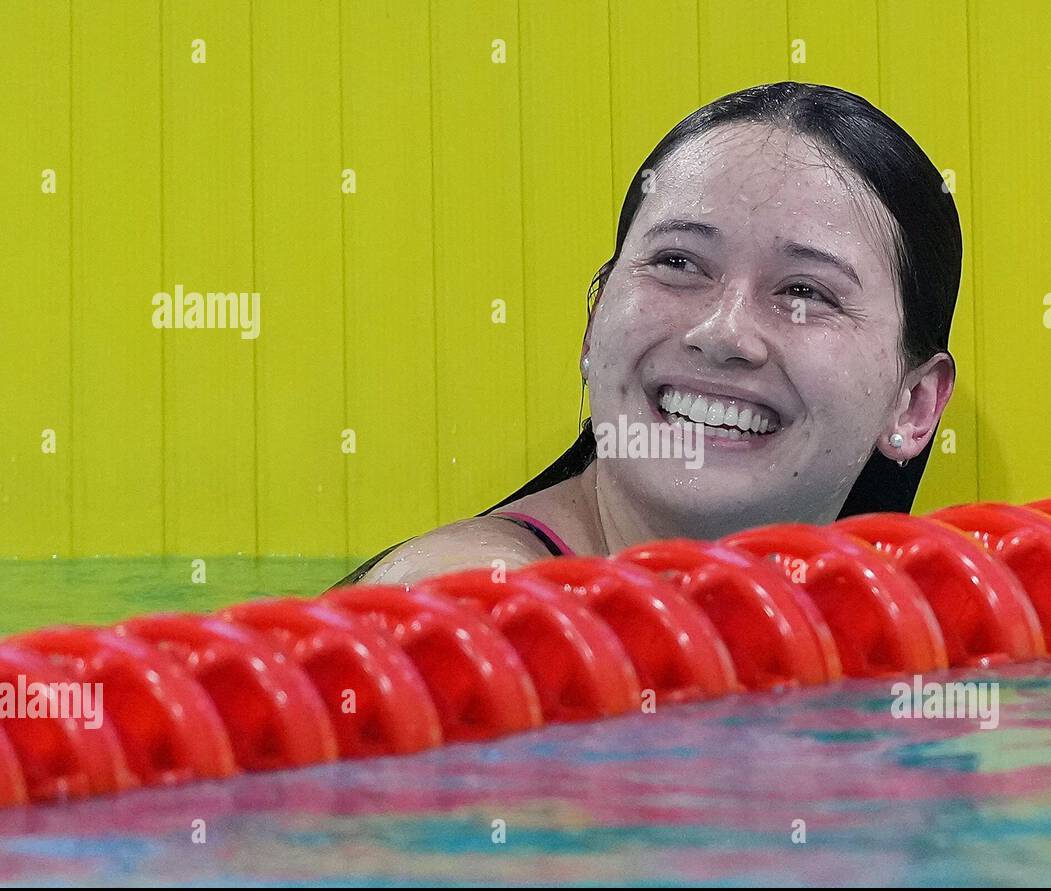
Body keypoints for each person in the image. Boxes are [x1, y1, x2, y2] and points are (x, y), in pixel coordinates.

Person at [337, 81, 960, 587]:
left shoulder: (913, 632)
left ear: (914, 404)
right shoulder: (469, 602)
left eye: (804, 292)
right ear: (594, 321)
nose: (722, 332)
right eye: (678, 263)